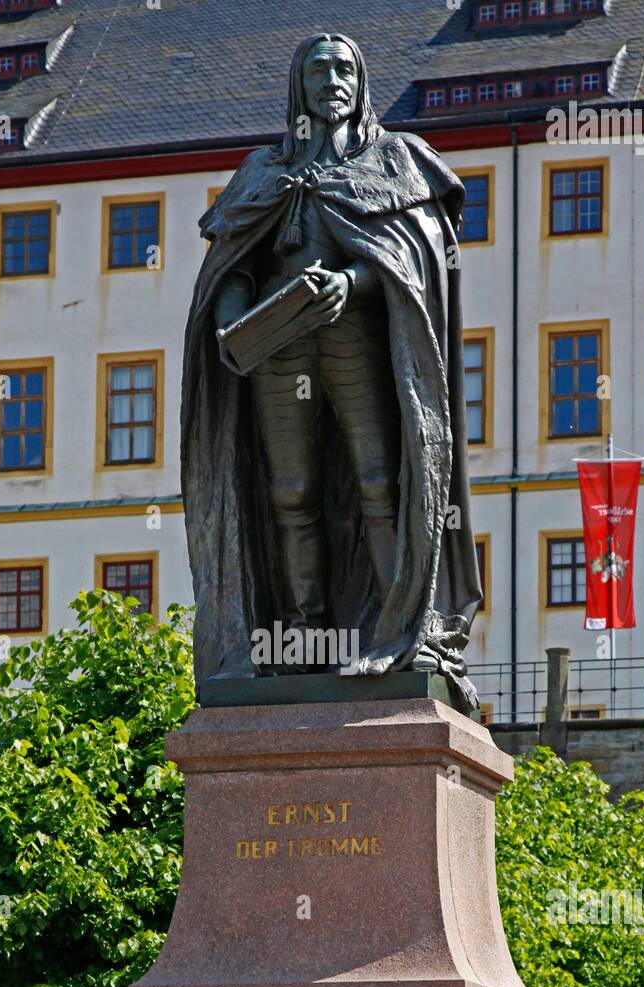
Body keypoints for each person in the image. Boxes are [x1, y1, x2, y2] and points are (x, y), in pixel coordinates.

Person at [181, 31, 482, 710]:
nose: (332, 80)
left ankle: (397, 630)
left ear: (361, 80)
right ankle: (304, 641)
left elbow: (414, 262)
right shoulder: (262, 172)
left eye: (344, 68)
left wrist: (352, 279)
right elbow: (234, 265)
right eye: (319, 70)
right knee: (290, 492)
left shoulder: (395, 160)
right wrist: (235, 321)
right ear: (299, 85)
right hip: (278, 345)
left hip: (352, 338)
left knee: (379, 480)